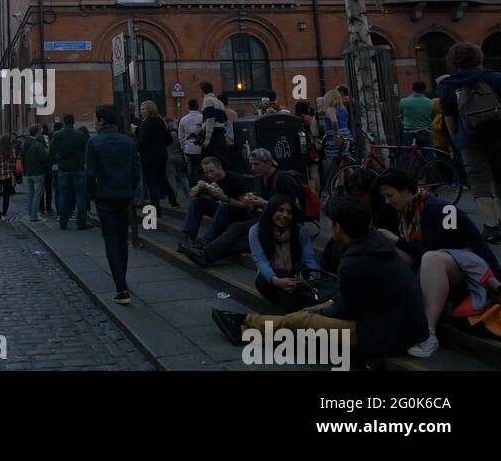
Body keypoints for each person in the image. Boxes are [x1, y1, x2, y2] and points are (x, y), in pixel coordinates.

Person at [212, 197, 428, 368]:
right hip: (399, 324)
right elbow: (357, 298)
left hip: (385, 335)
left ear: (338, 228)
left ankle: (246, 323)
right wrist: (325, 305)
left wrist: (318, 312)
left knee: (304, 319)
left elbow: (345, 310)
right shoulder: (374, 241)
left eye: (330, 222)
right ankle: (245, 325)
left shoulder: (354, 261)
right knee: (308, 312)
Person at [376, 169, 501, 357]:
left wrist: (398, 241)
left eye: (390, 195)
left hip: (480, 274)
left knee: (430, 259)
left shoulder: (438, 210)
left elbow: (438, 253)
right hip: (455, 269)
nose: (387, 201)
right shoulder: (408, 212)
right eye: (384, 196)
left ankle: (429, 333)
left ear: (407, 190)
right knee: (395, 252)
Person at [180, 148, 304, 268]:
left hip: (281, 224)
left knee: (235, 227)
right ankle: (202, 251)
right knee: (234, 231)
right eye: (252, 164)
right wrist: (197, 188)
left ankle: (205, 253)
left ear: (268, 163)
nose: (253, 168)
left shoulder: (283, 179)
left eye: (256, 164)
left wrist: (262, 203)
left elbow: (291, 208)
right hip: (268, 218)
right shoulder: (266, 179)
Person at [438, 42, 501, 243]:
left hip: (470, 140)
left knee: (479, 181)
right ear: (478, 57)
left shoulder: (448, 85)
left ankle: (491, 227)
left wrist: (457, 138)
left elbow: (448, 115)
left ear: (454, 61)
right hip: (498, 135)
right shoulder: (494, 78)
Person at [85, 105, 142, 305]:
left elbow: (90, 174)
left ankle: (121, 288)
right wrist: (130, 189)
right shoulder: (128, 141)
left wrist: (91, 196)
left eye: (95, 118)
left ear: (101, 121)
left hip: (105, 197)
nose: (94, 121)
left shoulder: (94, 142)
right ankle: (122, 281)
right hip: (125, 196)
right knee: (121, 239)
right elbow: (136, 172)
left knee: (111, 241)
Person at [180, 156, 251, 246]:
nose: (209, 175)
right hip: (222, 212)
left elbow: (248, 207)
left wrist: (225, 198)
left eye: (211, 171)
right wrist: (198, 188)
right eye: (206, 172)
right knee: (198, 201)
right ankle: (189, 236)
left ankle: (206, 241)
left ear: (219, 167)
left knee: (224, 206)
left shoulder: (235, 179)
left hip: (240, 214)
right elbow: (191, 195)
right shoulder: (209, 179)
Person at [52, 113, 90, 230]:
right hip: (78, 168)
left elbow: (53, 150)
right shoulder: (80, 135)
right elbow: (86, 150)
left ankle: (63, 221)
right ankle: (81, 222)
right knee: (80, 196)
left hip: (63, 168)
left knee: (63, 195)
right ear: (73, 122)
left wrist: (57, 161)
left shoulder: (57, 135)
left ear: (64, 121)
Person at [137, 100, 172, 218]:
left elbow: (143, 142)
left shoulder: (146, 123)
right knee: (162, 177)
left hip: (149, 155)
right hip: (162, 154)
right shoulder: (161, 121)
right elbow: (169, 139)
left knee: (151, 182)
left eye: (143, 109)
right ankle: (173, 200)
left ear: (150, 110)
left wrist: (133, 134)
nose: (141, 111)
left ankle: (156, 210)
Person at [398, 80, 434, 173]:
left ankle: (408, 177)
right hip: (425, 131)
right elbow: (432, 116)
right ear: (424, 90)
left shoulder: (403, 102)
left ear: (412, 88)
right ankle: (431, 178)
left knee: (407, 156)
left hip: (408, 132)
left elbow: (400, 116)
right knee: (428, 155)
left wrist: (404, 123)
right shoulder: (430, 102)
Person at [320, 89, 353, 188]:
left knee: (339, 162)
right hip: (346, 134)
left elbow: (334, 121)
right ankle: (356, 181)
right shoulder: (343, 109)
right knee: (344, 162)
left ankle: (340, 186)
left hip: (335, 137)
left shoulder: (330, 109)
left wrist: (335, 134)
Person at [295, 100, 323, 197]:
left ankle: (309, 195)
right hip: (312, 148)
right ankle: (316, 195)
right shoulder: (309, 118)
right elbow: (315, 133)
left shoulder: (294, 119)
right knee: (314, 173)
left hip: (300, 149)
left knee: (306, 174)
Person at [198, 82, 229, 166]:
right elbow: (225, 120)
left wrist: (207, 138)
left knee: (207, 162)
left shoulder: (207, 101)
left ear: (202, 91)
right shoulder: (220, 102)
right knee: (220, 162)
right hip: (221, 135)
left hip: (213, 135)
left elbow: (210, 120)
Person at [21, 125, 48, 221]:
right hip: (38, 172)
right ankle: (34, 216)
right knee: (37, 195)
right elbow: (43, 159)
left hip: (28, 172)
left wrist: (25, 170)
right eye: (39, 131)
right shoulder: (38, 145)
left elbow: (22, 158)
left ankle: (30, 213)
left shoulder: (24, 144)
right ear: (36, 133)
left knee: (30, 194)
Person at [178, 98, 204, 187]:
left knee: (190, 169)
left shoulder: (183, 119)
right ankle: (201, 187)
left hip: (188, 148)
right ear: (198, 106)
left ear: (188, 107)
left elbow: (181, 136)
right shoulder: (202, 118)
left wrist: (183, 147)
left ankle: (192, 188)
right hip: (201, 148)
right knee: (201, 168)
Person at [165, 115, 188, 207]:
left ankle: (174, 197)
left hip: (169, 157)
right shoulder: (179, 132)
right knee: (182, 177)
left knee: (171, 177)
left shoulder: (166, 133)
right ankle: (189, 196)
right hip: (179, 156)